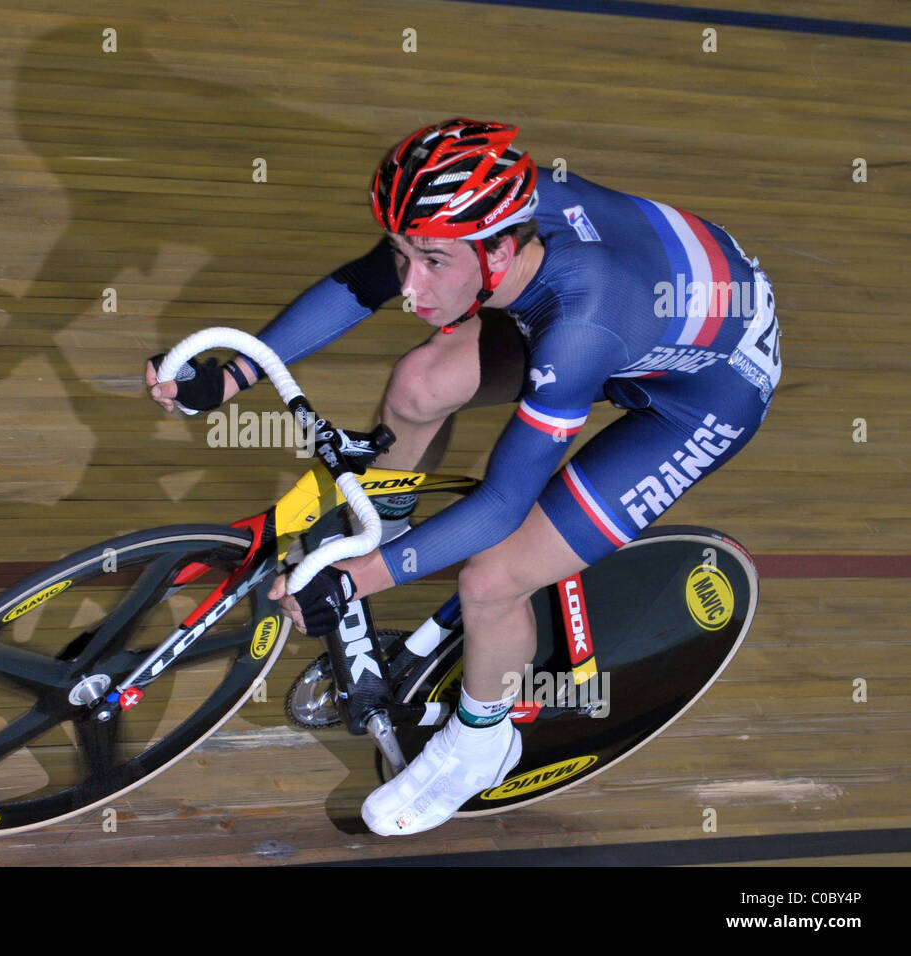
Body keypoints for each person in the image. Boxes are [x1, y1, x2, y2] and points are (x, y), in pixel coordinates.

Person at [146, 119, 780, 836]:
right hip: (638, 305)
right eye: (403, 255)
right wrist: (232, 376)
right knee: (419, 384)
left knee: (492, 578)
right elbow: (364, 282)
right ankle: (381, 523)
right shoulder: (474, 214)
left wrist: (354, 582)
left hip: (700, 396)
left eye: (433, 265)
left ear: (503, 247)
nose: (412, 288)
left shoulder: (581, 324)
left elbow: (506, 503)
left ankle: (482, 742)